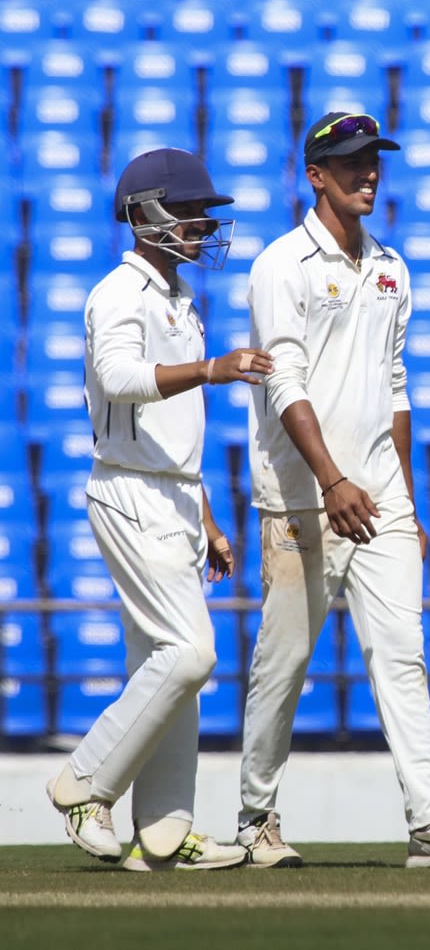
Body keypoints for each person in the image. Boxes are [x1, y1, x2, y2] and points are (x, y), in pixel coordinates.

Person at [237, 112, 430, 869]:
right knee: (286, 662)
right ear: (315, 174)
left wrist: (406, 497)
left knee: (402, 651)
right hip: (302, 497)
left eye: (374, 160)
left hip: (380, 496)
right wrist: (330, 478)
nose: (367, 172)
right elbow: (284, 381)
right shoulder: (283, 264)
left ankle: (429, 821)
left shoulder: (394, 267)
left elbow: (395, 389)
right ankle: (255, 819)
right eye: (350, 162)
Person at [46, 148, 269, 871]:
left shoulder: (177, 297)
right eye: (191, 210)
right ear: (147, 215)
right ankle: (85, 780)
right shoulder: (119, 292)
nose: (205, 224)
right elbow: (117, 378)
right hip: (130, 492)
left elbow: (178, 429)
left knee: (169, 666)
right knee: (190, 654)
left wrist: (205, 516)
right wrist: (210, 368)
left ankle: (166, 835)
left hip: (173, 492)